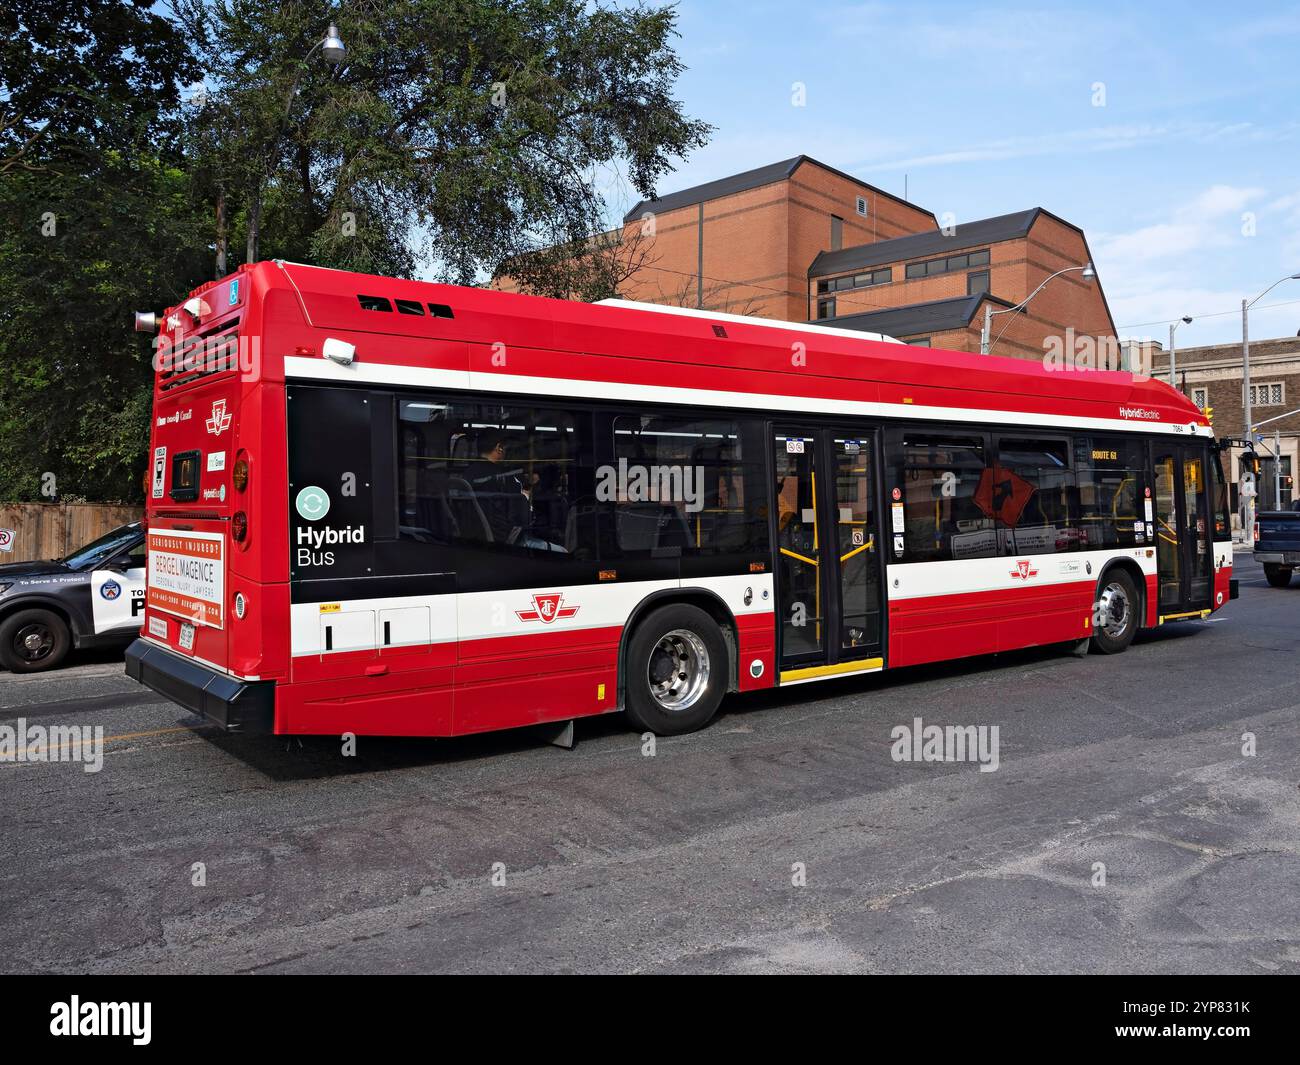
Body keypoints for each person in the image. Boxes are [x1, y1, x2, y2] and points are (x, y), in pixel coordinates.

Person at [463, 433, 529, 542]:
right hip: (502, 539)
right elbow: (522, 517)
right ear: (499, 448)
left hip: (471, 535)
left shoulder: (467, 473)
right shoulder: (505, 477)